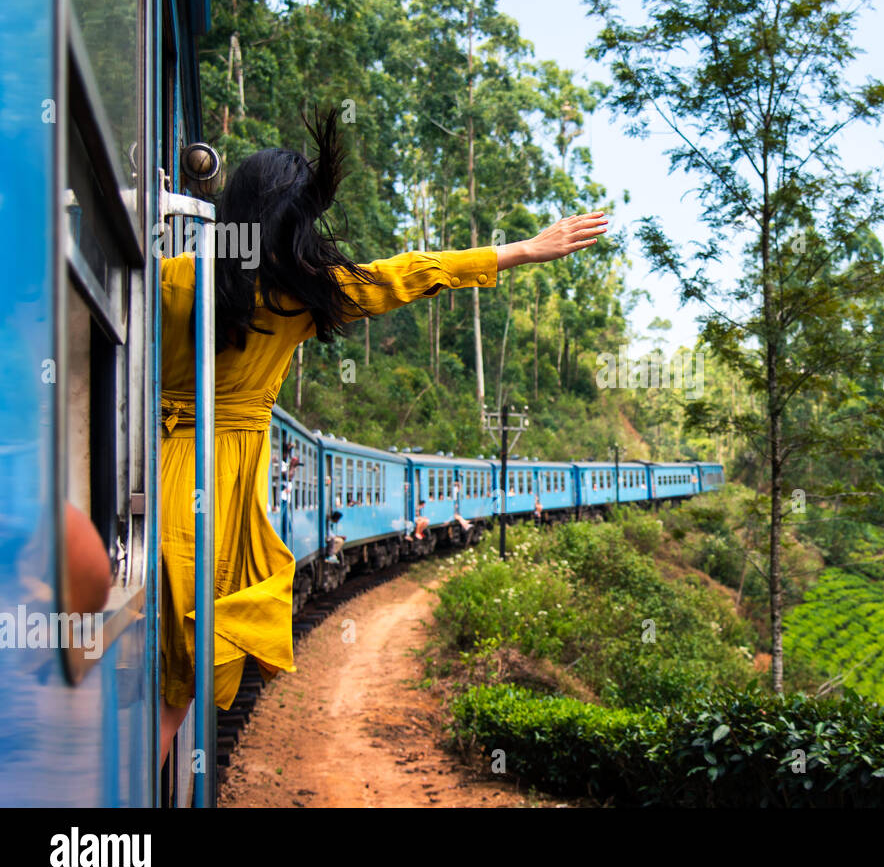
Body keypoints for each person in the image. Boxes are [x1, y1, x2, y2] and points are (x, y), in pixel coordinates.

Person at [156, 108, 607, 759]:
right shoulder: (300, 298)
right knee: (188, 656)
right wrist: (521, 250)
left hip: (150, 459)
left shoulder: (172, 281)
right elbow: (407, 273)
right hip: (218, 483)